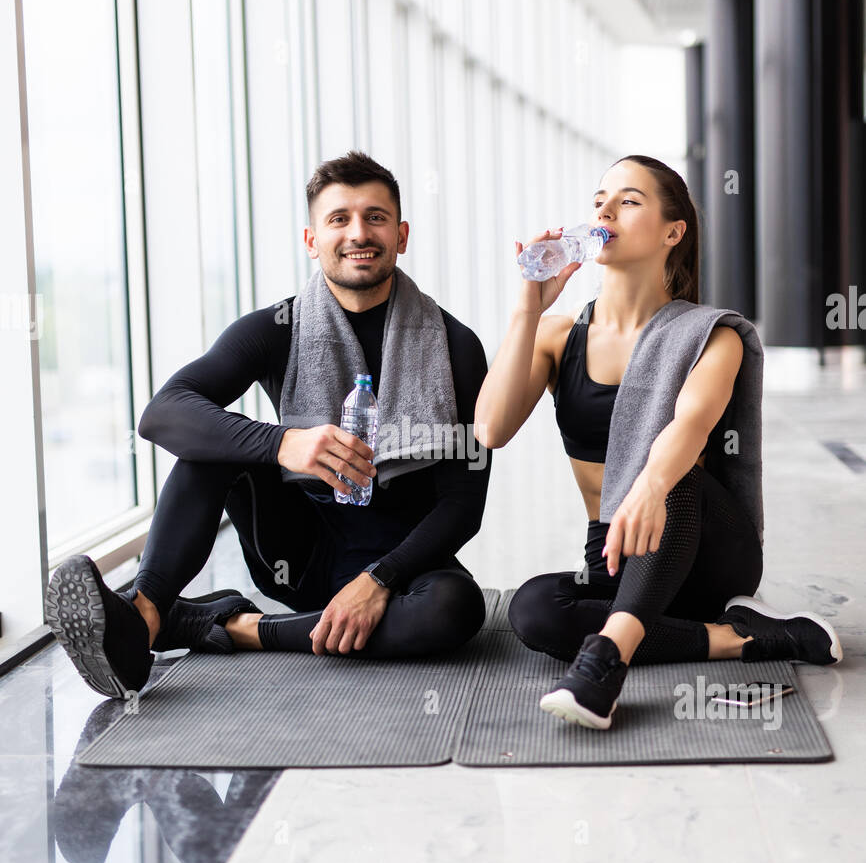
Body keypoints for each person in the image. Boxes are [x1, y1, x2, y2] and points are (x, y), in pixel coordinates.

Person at [45, 152, 491, 701]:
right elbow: (163, 412)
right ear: (311, 240)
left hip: (406, 560)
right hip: (296, 552)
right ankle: (146, 613)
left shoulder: (457, 347)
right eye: (339, 219)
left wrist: (381, 579)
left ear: (401, 234)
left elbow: (464, 503)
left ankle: (230, 626)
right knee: (212, 444)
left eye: (375, 217)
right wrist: (284, 442)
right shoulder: (276, 328)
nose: (359, 233)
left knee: (455, 610)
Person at [474, 154, 842, 731]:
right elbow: (490, 429)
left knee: (672, 470)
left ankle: (606, 660)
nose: (604, 209)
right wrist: (527, 306)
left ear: (674, 232)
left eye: (628, 200)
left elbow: (689, 428)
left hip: (702, 542)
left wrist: (649, 484)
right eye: (599, 200)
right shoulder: (557, 334)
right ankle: (741, 638)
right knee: (534, 610)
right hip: (616, 548)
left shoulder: (712, 334)